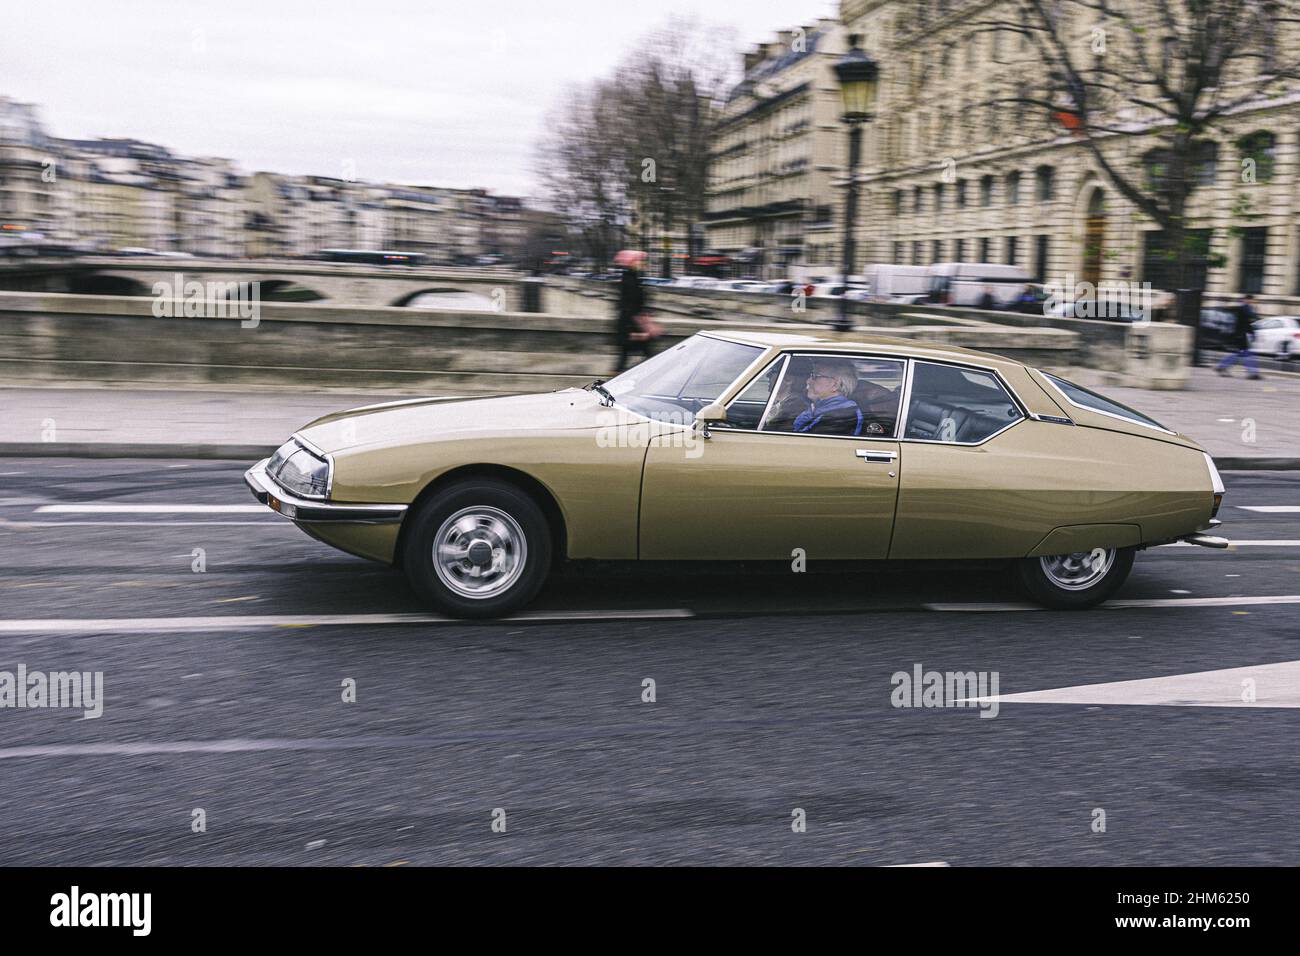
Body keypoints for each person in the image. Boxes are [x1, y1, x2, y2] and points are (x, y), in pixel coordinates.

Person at [792, 360, 863, 436]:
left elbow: (802, 440)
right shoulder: (823, 408)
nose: (808, 381)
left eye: (815, 376)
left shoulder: (840, 416)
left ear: (835, 385)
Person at [613, 250, 652, 372]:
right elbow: (632, 305)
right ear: (632, 262)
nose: (643, 263)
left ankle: (616, 378)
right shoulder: (630, 281)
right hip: (632, 325)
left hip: (630, 324)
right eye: (640, 261)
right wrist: (635, 327)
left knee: (624, 357)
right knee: (649, 356)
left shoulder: (631, 278)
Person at [1216, 294, 1262, 380]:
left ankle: (1222, 367)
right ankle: (1253, 373)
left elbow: (1249, 321)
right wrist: (1256, 309)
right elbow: (1253, 318)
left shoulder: (1243, 308)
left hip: (1241, 334)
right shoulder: (1245, 308)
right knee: (1247, 354)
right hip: (1242, 334)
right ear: (1247, 300)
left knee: (1240, 353)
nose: (1253, 302)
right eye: (1252, 300)